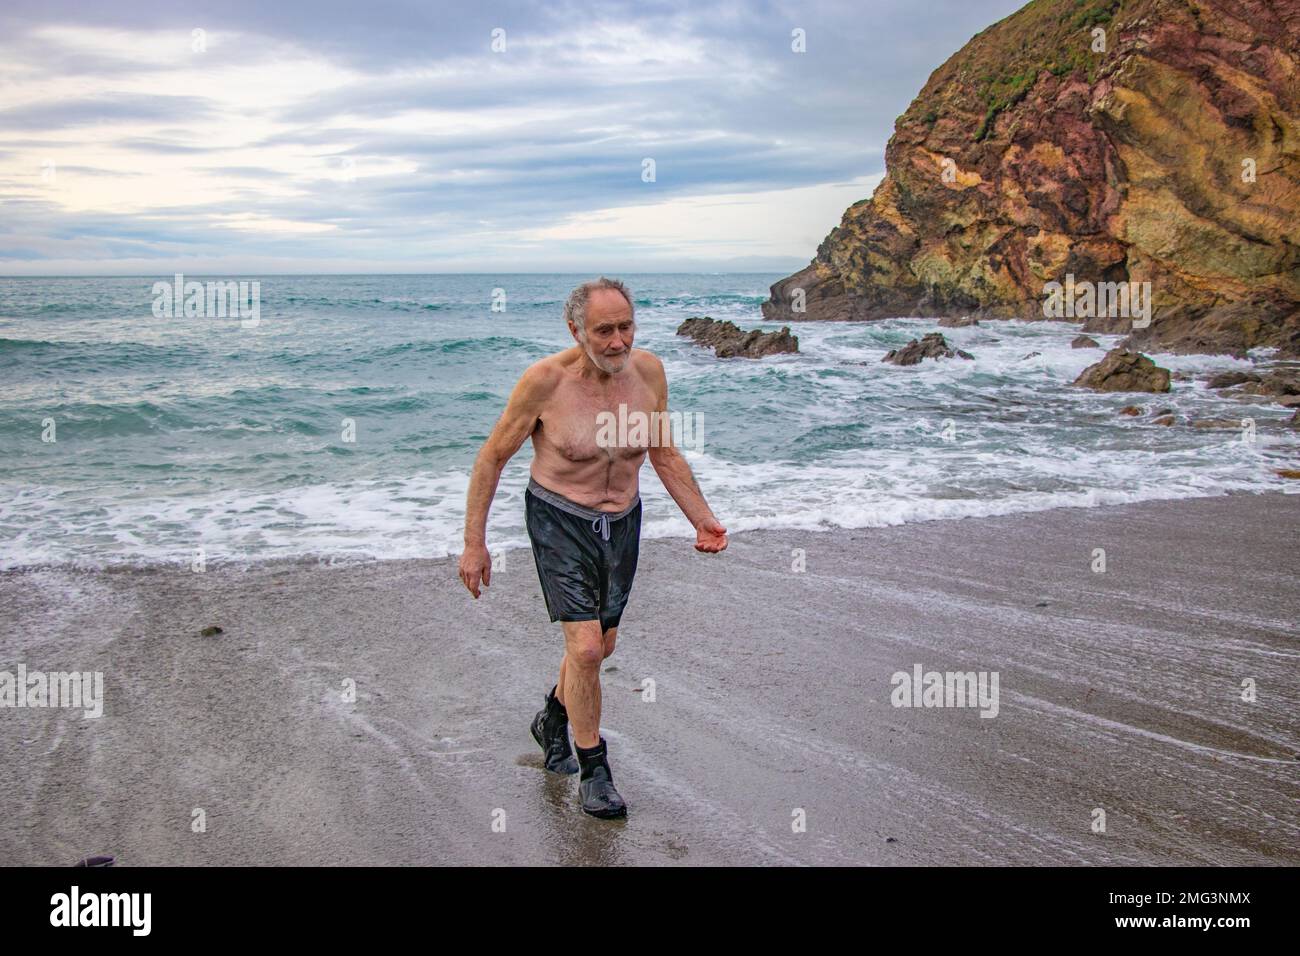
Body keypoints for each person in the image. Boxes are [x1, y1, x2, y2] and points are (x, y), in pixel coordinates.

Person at [458, 277, 727, 819]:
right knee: (582, 650)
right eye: (604, 331)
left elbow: (662, 453)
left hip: (623, 521)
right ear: (575, 329)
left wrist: (703, 519)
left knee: (601, 650)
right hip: (560, 518)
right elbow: (492, 458)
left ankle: (553, 717)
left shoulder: (648, 373)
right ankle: (594, 768)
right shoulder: (543, 383)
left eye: (626, 327)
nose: (617, 342)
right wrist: (474, 544)